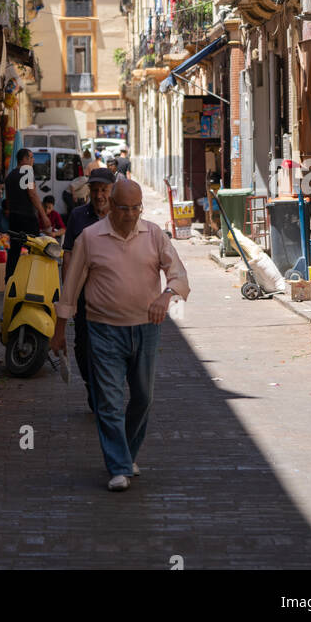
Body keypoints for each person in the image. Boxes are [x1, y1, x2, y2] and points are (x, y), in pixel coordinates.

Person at [51, 177, 190, 491]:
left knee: (143, 397)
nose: (130, 215)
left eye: (135, 208)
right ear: (110, 206)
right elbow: (70, 288)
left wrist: (165, 296)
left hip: (146, 330)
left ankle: (125, 455)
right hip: (103, 330)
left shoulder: (154, 234)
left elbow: (178, 275)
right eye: (123, 208)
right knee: (109, 402)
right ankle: (118, 466)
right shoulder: (90, 238)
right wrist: (60, 330)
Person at [62, 168, 113, 410]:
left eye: (104, 190)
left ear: (112, 192)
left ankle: (105, 388)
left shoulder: (120, 216)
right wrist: (67, 292)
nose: (99, 195)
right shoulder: (78, 216)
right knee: (82, 345)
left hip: (113, 293)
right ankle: (91, 385)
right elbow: (69, 253)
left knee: (109, 343)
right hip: (83, 292)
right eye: (95, 190)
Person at [3, 148, 52, 278]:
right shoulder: (28, 172)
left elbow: (7, 199)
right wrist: (43, 215)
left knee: (14, 250)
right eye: (31, 157)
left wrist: (9, 211)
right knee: (33, 248)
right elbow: (32, 194)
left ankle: (9, 280)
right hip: (27, 217)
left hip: (14, 217)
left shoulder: (10, 176)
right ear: (23, 159)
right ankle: (32, 278)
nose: (33, 160)